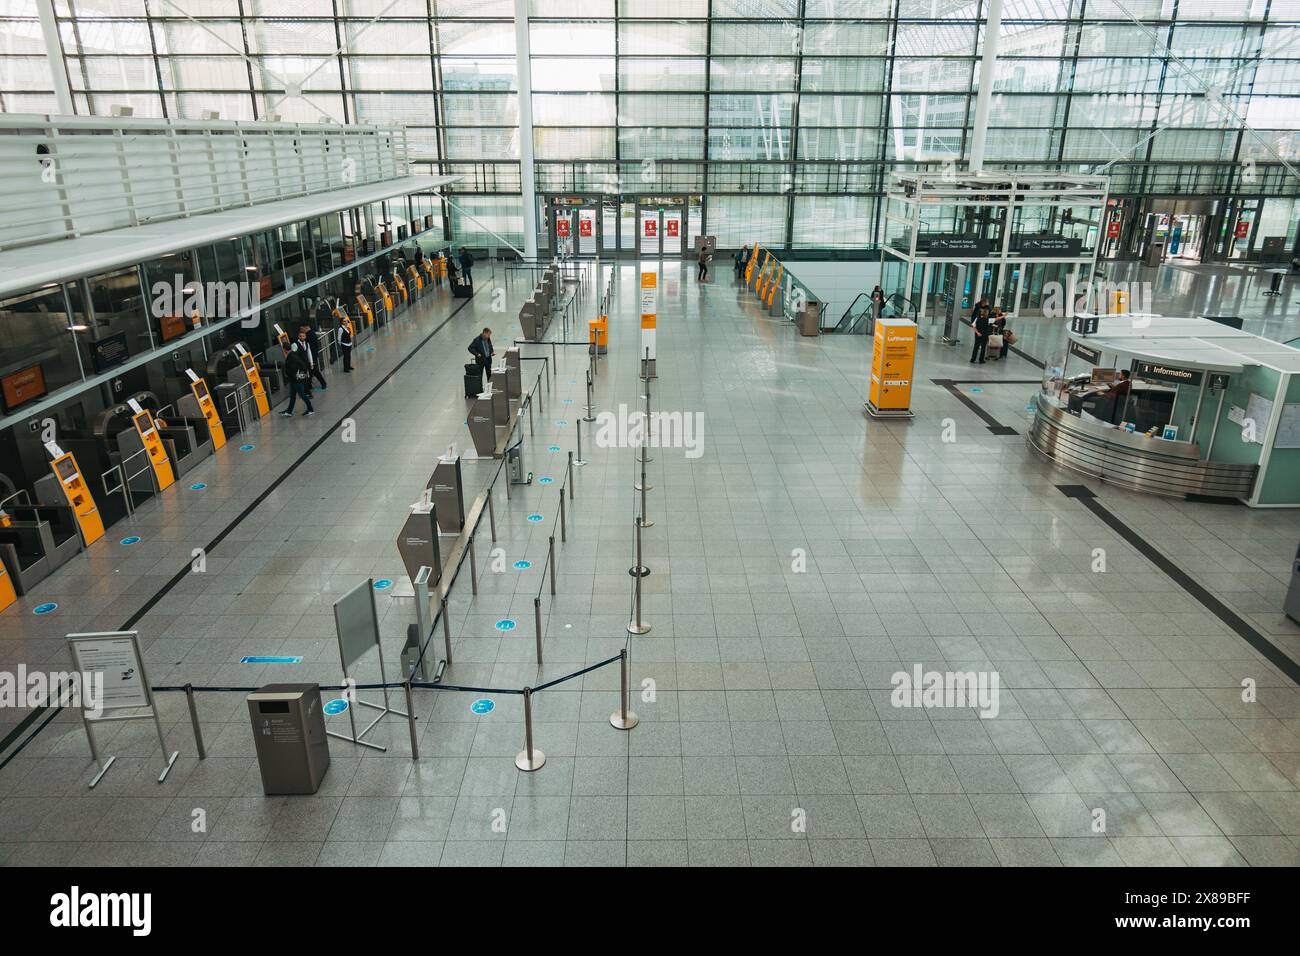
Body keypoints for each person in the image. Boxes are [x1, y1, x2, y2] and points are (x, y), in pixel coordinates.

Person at [280, 344, 314, 416]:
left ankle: (310, 409)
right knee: (292, 395)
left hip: (296, 380)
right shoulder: (293, 354)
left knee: (302, 395)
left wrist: (289, 374)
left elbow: (293, 369)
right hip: (295, 380)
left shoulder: (291, 357)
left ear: (285, 349)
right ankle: (289, 411)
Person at [296, 325, 327, 391]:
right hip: (310, 358)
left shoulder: (309, 337)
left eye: (303, 329)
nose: (302, 337)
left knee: (314, 371)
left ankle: (321, 383)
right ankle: (309, 386)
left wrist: (311, 361)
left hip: (311, 358)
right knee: (310, 372)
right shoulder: (312, 334)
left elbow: (309, 351)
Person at [969, 297, 992, 364]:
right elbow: (993, 319)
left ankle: (973, 359)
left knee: (977, 345)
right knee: (982, 345)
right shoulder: (987, 318)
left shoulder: (978, 316)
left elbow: (973, 324)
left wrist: (976, 330)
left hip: (978, 330)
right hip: (984, 330)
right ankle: (979, 359)